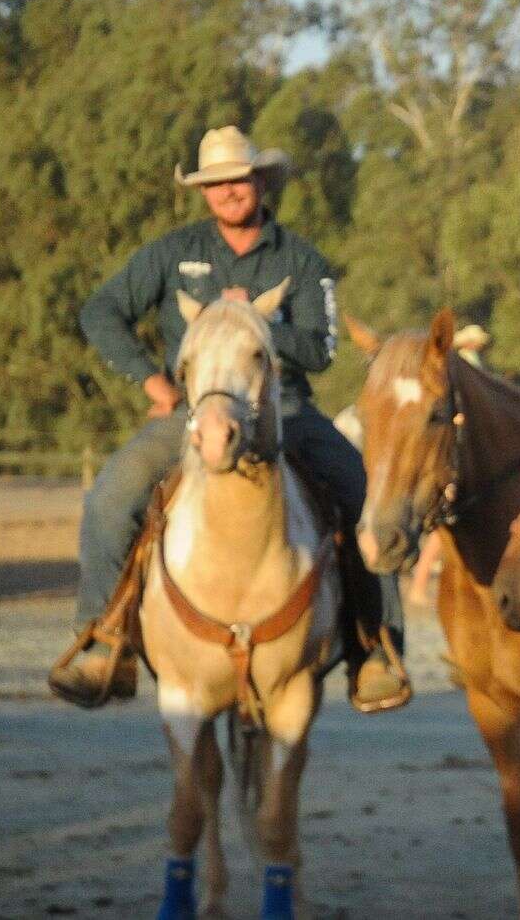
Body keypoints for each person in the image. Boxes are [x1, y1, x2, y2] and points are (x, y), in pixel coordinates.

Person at [49, 126, 410, 713]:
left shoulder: (302, 259)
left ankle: (375, 647)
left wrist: (258, 325)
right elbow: (101, 310)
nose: (227, 191)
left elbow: (321, 349)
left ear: (260, 182)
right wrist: (152, 379)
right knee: (110, 499)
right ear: (203, 192)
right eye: (214, 183)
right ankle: (101, 639)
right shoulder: (172, 252)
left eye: (237, 179)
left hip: (284, 409)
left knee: (361, 493)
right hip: (194, 412)